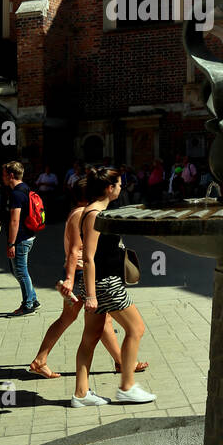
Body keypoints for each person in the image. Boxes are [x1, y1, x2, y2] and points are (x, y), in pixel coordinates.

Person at [29, 175, 149, 380]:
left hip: (81, 273)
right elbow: (75, 250)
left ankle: (120, 362)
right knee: (83, 321)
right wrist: (70, 279)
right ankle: (122, 365)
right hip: (80, 272)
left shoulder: (80, 212)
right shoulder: (81, 215)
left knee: (92, 321)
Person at [72, 168, 154, 406]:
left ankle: (81, 394)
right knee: (136, 329)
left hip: (102, 283)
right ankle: (127, 386)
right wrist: (90, 295)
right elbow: (88, 257)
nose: (121, 187)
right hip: (105, 284)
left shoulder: (99, 211)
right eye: (119, 184)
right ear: (109, 188)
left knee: (91, 336)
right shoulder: (94, 214)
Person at [2, 160, 40, 315]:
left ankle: (27, 304)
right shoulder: (25, 188)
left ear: (11, 175)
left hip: (20, 239)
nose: (2, 178)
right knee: (20, 271)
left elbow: (14, 220)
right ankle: (33, 298)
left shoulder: (16, 193)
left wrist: (11, 243)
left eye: (4, 175)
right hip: (29, 235)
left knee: (21, 271)